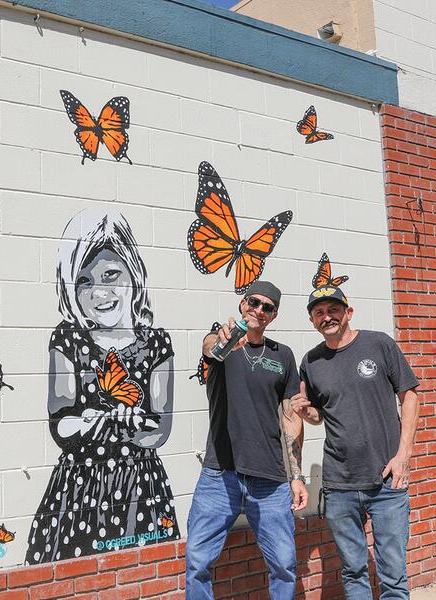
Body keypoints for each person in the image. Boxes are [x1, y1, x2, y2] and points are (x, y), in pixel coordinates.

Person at [24, 208, 180, 565]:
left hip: (140, 485)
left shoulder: (156, 342)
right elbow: (61, 424)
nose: (99, 292)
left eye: (111, 274)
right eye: (84, 281)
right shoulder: (67, 339)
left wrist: (131, 425)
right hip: (80, 486)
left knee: (145, 574)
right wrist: (95, 421)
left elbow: (160, 427)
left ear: (133, 274)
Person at [292, 285, 419, 599]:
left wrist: (403, 454)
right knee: (353, 571)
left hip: (387, 481)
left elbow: (410, 396)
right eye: (319, 312)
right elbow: (320, 416)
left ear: (347, 312)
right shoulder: (311, 361)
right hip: (339, 485)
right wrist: (307, 411)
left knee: (393, 574)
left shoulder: (379, 344)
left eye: (333, 309)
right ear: (312, 321)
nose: (327, 317)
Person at [186, 280, 308, 600]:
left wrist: (296, 475)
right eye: (254, 302)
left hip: (269, 477)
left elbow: (292, 417)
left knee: (284, 564)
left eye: (267, 307)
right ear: (243, 304)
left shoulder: (283, 355)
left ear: (274, 315)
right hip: (220, 473)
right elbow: (210, 347)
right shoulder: (223, 342)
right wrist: (224, 337)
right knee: (197, 561)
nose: (258, 310)